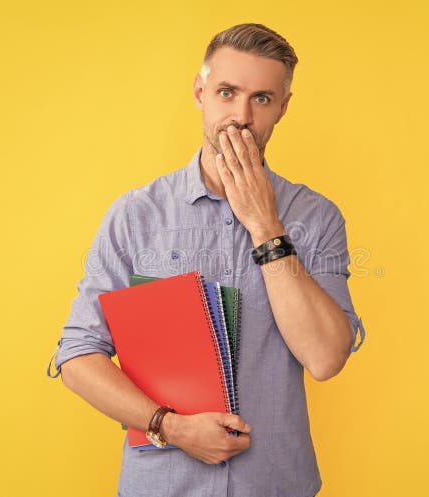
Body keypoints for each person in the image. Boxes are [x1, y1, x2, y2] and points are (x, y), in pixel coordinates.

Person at [47, 23, 366, 497]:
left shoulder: (316, 217)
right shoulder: (136, 215)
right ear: (200, 93)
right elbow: (77, 356)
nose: (240, 116)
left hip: (274, 484)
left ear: (282, 107)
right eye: (226, 92)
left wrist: (266, 226)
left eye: (261, 99)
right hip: (161, 486)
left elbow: (324, 358)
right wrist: (169, 426)